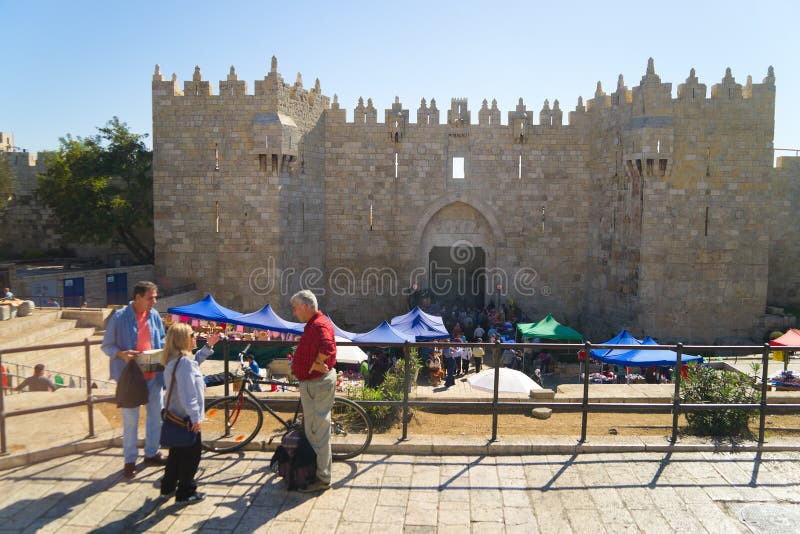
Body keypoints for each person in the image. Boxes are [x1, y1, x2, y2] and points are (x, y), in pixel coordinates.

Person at [101, 280, 167, 480]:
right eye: (150, 298)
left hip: (153, 375)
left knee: (155, 417)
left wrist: (162, 351)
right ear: (138, 298)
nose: (154, 302)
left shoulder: (154, 315)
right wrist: (121, 354)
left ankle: (151, 453)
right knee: (131, 421)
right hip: (130, 378)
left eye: (155, 297)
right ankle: (129, 461)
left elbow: (162, 338)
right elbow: (106, 346)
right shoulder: (119, 317)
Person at [159, 323, 219, 504]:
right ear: (183, 339)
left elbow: (194, 363)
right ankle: (186, 492)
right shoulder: (183, 363)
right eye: (192, 335)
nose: (195, 337)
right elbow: (188, 394)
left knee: (176, 454)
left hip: (176, 416)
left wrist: (208, 347)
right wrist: (195, 419)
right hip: (186, 418)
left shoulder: (178, 360)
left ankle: (167, 487)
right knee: (191, 456)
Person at [290, 289, 337, 493]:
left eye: (295, 308)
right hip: (313, 382)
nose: (294, 313)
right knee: (313, 429)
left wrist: (317, 363)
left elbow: (328, 348)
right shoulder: (315, 323)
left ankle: (323, 478)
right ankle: (314, 470)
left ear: (305, 307)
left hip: (317, 383)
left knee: (319, 431)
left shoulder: (318, 325)